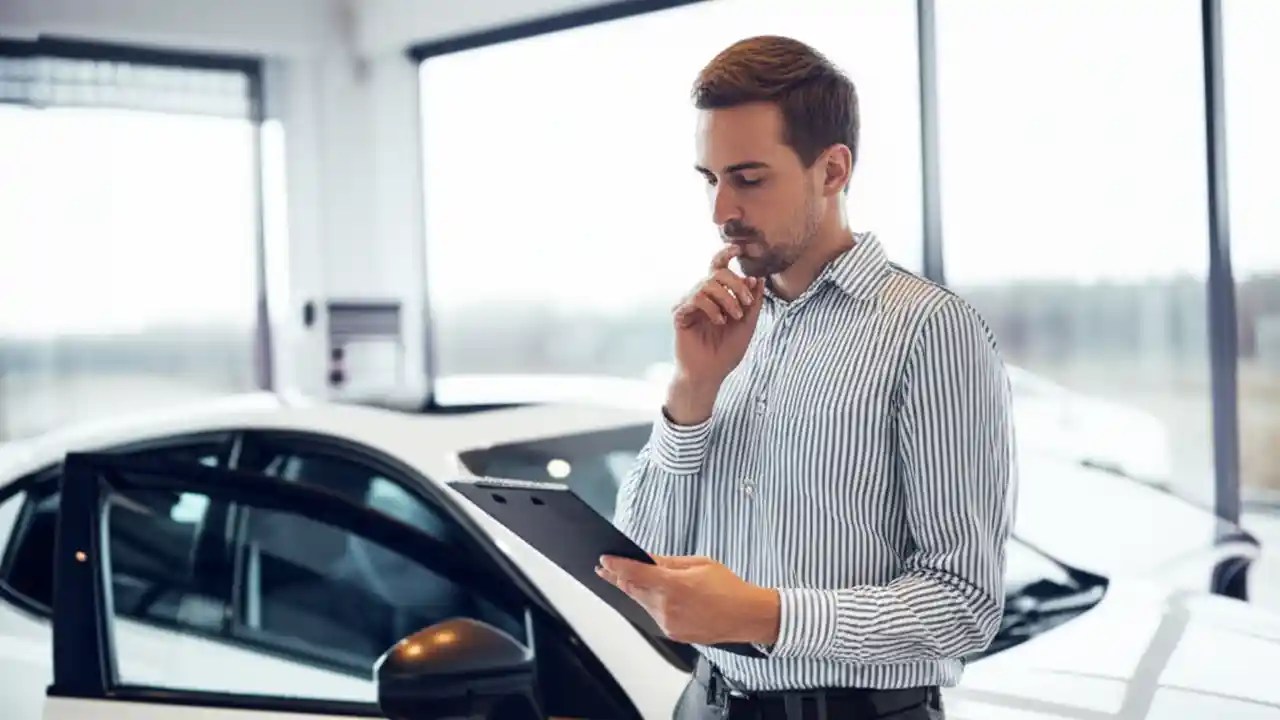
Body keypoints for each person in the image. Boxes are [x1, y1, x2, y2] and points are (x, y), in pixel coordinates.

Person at [596, 36, 1017, 719]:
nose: (720, 211)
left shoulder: (929, 331)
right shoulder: (723, 328)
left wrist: (765, 615)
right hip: (703, 704)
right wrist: (691, 393)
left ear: (832, 169)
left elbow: (964, 604)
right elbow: (646, 558)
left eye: (750, 178)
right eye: (710, 178)